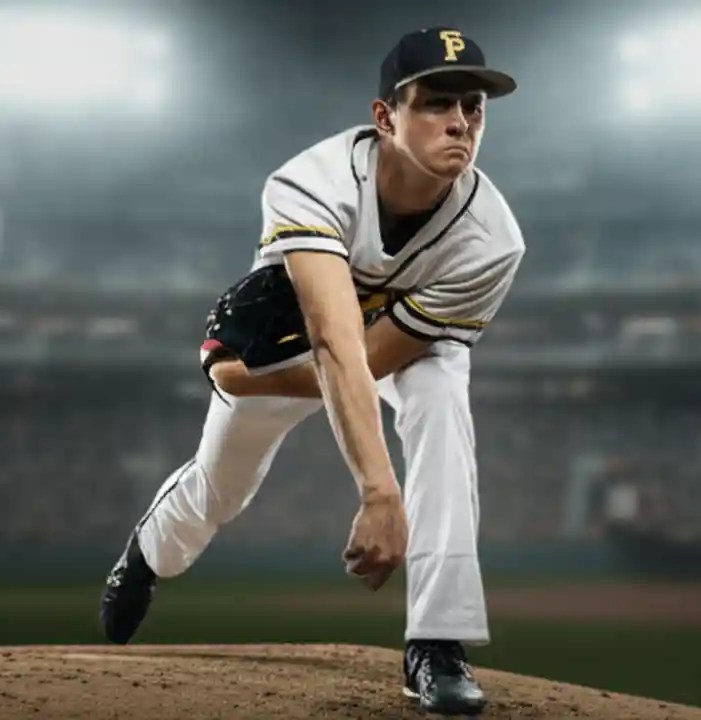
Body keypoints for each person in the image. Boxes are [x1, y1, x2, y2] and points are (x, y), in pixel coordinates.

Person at [100, 26, 524, 715]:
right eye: (435, 103)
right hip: (287, 348)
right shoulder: (312, 182)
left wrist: (383, 494)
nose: (459, 122)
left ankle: (438, 641)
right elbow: (331, 340)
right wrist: (250, 381)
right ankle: (149, 556)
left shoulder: (493, 239)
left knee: (444, 394)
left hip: (388, 348)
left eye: (473, 107)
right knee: (220, 490)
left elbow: (375, 357)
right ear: (385, 116)